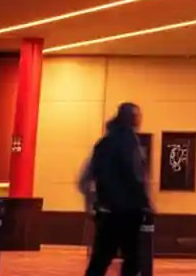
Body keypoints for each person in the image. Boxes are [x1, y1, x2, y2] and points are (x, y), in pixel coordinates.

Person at [83, 103, 153, 276]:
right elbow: (135, 175)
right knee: (133, 258)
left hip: (107, 209)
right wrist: (146, 202)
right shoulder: (130, 143)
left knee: (101, 258)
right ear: (130, 118)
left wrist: (92, 203)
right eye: (136, 116)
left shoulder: (104, 143)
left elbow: (88, 175)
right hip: (129, 209)